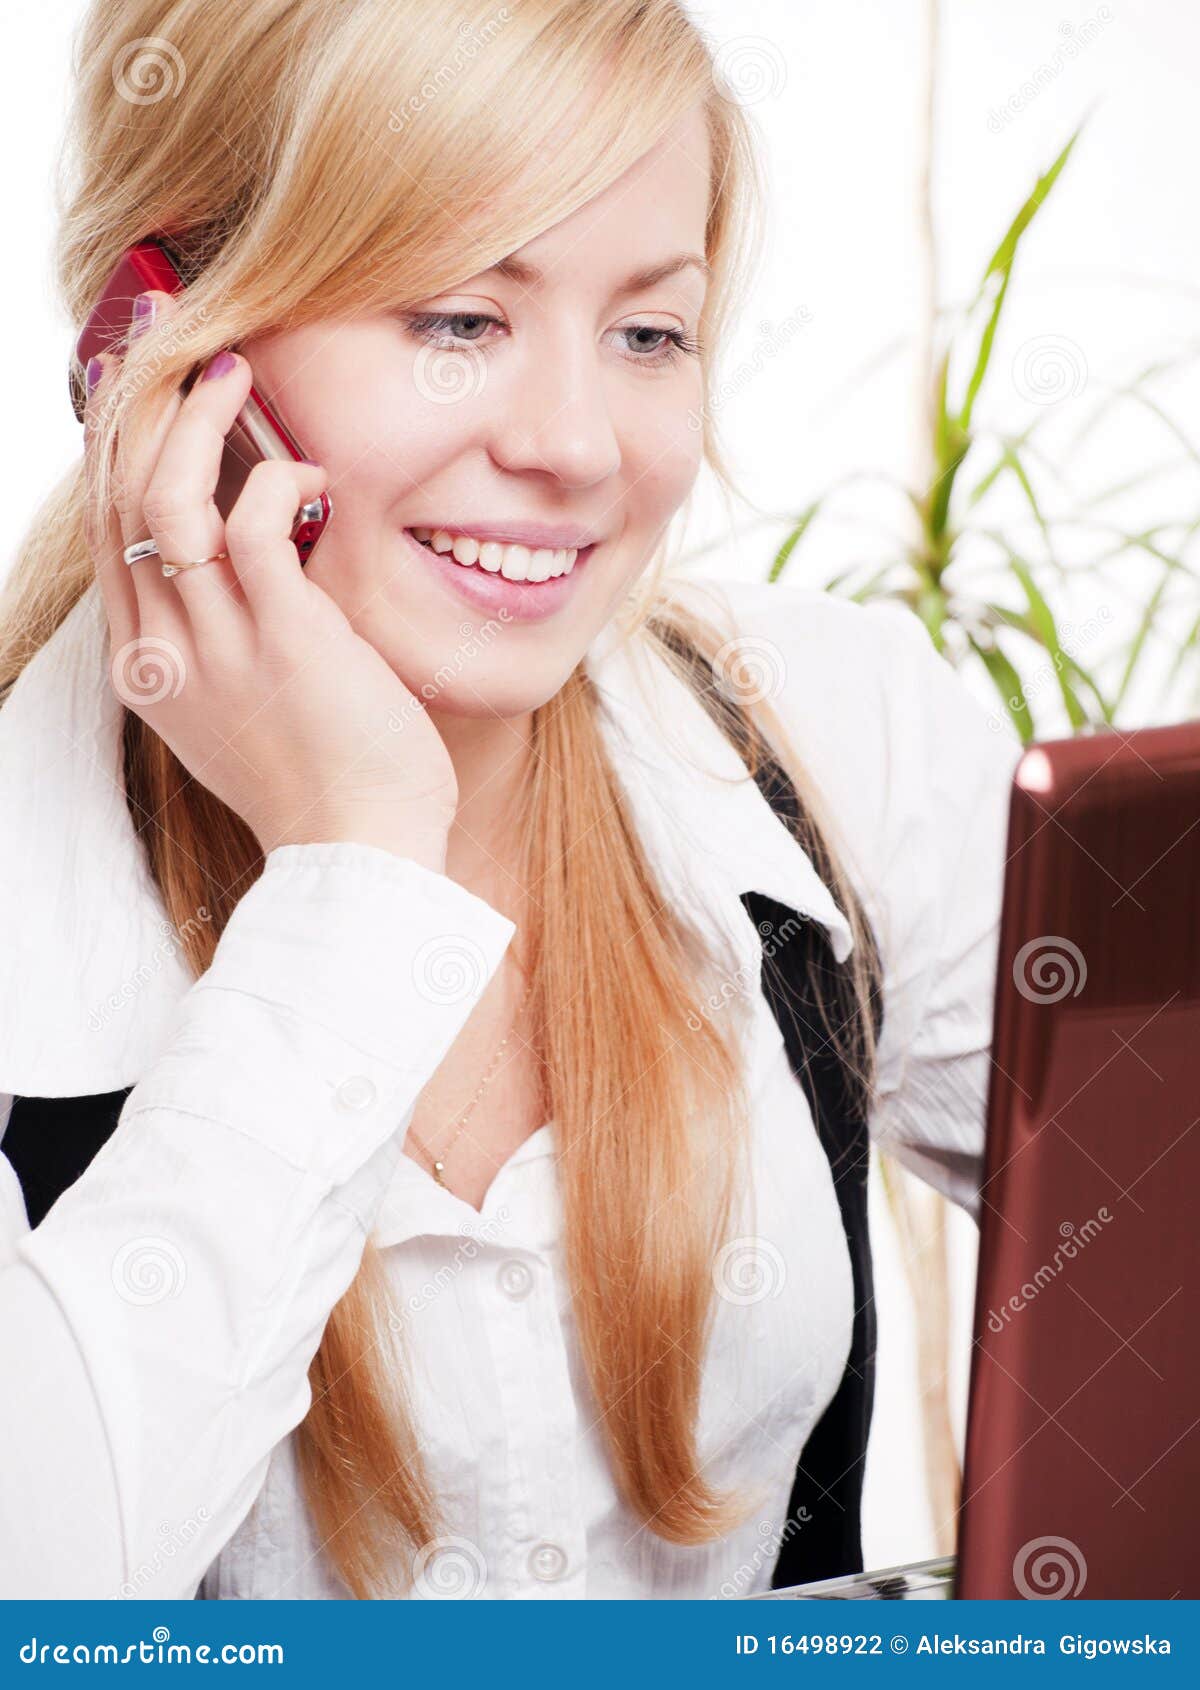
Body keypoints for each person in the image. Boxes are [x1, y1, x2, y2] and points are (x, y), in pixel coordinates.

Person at [0, 0, 1020, 1599]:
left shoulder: (828, 737)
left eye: (648, 333)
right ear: (160, 348)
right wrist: (353, 870)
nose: (576, 446)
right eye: (457, 319)